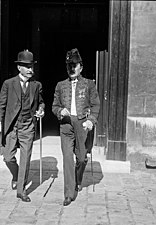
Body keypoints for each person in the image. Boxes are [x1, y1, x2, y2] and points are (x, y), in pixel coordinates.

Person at [0, 49, 45, 202]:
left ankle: (21, 190)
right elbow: (1, 104)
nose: (31, 70)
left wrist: (41, 110)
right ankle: (15, 175)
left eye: (32, 67)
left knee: (25, 158)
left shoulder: (36, 85)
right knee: (8, 156)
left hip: (28, 126)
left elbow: (41, 102)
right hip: (12, 126)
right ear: (19, 68)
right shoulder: (9, 84)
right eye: (27, 66)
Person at [52, 48, 100, 206]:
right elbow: (54, 106)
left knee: (81, 158)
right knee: (67, 158)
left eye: (74, 65)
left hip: (82, 124)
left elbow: (95, 105)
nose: (71, 68)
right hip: (66, 125)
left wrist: (91, 121)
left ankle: (78, 179)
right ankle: (68, 193)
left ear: (81, 67)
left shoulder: (89, 85)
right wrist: (60, 111)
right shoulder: (60, 85)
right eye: (68, 66)